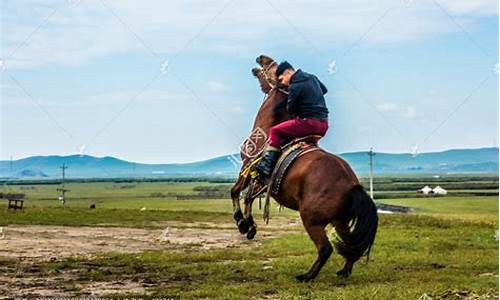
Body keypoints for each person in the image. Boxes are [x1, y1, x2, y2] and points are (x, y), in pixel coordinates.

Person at [256, 61, 329, 178]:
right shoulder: (312, 77)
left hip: (309, 124)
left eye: (281, 79)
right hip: (324, 125)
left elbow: (291, 110)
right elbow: (324, 90)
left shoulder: (295, 86)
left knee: (275, 131)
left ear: (288, 73)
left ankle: (267, 165)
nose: (283, 83)